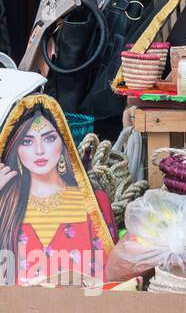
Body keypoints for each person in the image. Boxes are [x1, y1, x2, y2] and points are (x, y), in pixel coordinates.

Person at [0, 101, 115, 286]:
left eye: (49, 138)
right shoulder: (5, 204)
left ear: (64, 143)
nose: (39, 150)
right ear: (16, 149)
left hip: (82, 312)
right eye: (27, 141)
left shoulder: (94, 203)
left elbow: (109, 283)